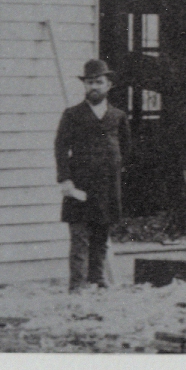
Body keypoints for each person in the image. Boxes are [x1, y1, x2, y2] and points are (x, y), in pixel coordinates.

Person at [54, 59, 131, 291]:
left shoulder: (118, 116)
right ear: (84, 85)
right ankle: (77, 283)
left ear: (109, 85)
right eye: (90, 82)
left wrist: (117, 168)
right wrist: (65, 179)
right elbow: (60, 148)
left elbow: (126, 148)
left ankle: (96, 278)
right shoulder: (72, 115)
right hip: (80, 185)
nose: (94, 87)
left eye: (99, 82)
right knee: (79, 236)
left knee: (101, 233)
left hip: (107, 184)